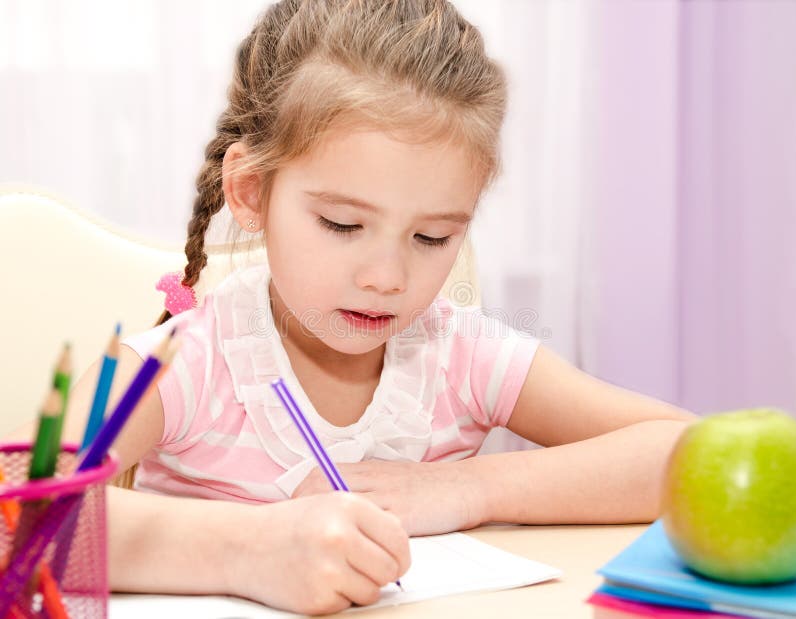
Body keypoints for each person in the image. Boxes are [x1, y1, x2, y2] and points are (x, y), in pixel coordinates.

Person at [9, 0, 697, 614]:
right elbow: (21, 520)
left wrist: (469, 488)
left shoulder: (461, 355)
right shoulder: (188, 362)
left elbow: (690, 454)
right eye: (342, 224)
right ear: (251, 193)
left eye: (433, 237)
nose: (388, 276)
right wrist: (246, 549)